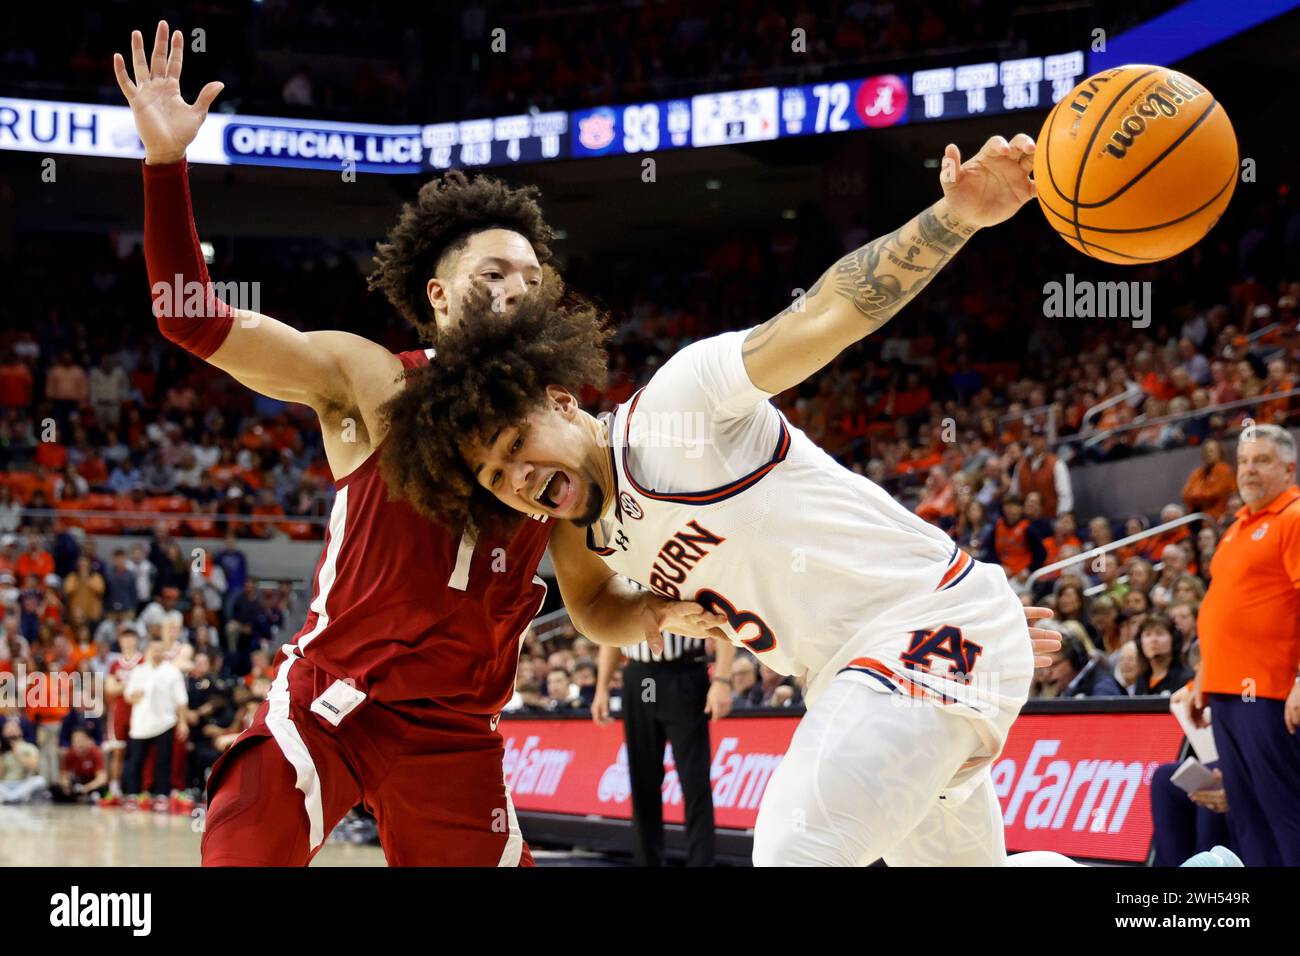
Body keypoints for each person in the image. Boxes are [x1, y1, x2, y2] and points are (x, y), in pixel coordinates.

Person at [113, 20, 712, 866]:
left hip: (460, 737)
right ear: (437, 296)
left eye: (532, 280)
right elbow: (191, 318)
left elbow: (590, 602)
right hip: (336, 705)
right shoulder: (374, 383)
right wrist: (166, 166)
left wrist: (651, 610)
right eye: (492, 275)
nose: (515, 291)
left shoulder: (565, 441)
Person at [390, 133, 1071, 866]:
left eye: (516, 449)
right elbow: (590, 609)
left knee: (793, 852)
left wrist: (954, 217)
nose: (518, 480)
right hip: (862, 670)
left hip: (919, 634)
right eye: (498, 479)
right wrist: (651, 611)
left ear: (562, 403)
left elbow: (826, 314)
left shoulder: (680, 405)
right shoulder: (580, 529)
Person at [1177, 423, 1300, 866]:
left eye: (1261, 461)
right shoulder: (1235, 528)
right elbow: (1221, 613)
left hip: (1270, 694)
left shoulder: (1293, 518)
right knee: (1249, 822)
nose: (1248, 470)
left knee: (1285, 816)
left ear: (1289, 468)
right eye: (1244, 461)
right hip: (1228, 696)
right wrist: (1202, 680)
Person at [592, 622, 733, 867]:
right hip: (643, 678)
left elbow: (721, 620)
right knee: (643, 778)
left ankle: (701, 863)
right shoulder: (621, 581)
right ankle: (647, 861)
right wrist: (601, 687)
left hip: (684, 674)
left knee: (694, 779)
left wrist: (722, 679)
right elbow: (611, 625)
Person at [122, 633, 188, 808]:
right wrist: (134, 696)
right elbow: (128, 695)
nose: (157, 653)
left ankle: (161, 795)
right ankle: (133, 795)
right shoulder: (139, 671)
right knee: (136, 760)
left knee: (163, 760)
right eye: (154, 650)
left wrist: (182, 722)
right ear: (148, 651)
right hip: (141, 724)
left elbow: (181, 700)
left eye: (160, 650)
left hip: (165, 722)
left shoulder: (172, 672)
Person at [1133, 613, 1194, 696]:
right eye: (1148, 634)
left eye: (1160, 634)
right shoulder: (1142, 680)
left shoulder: (1186, 678)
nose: (1153, 640)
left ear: (1174, 640)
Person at [0, 718, 47, 804]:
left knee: (40, 780)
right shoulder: (2, 750)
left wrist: (17, 753)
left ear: (20, 731)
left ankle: (10, 798)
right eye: (8, 729)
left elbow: (33, 769)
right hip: (5, 784)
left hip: (23, 784)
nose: (11, 731)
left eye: (13, 728)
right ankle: (14, 798)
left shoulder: (29, 748)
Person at [55, 727, 108, 802]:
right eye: (75, 740)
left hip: (92, 784)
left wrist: (87, 788)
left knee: (103, 790)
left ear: (89, 740)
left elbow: (102, 778)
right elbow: (63, 775)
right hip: (78, 783)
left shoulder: (96, 752)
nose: (78, 743)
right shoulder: (70, 754)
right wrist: (66, 786)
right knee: (57, 790)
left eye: (81, 740)